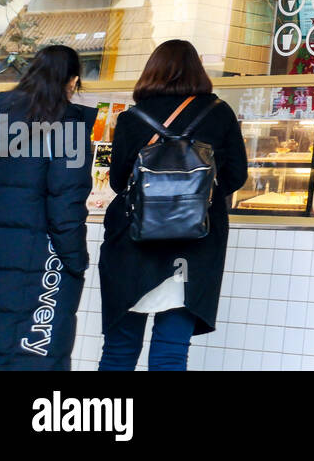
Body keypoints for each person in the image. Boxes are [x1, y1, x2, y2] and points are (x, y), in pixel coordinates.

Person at [98, 40, 247, 371]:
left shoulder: (131, 118)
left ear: (152, 70)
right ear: (198, 70)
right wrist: (197, 195)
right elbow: (236, 176)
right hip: (193, 247)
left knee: (119, 350)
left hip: (132, 245)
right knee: (171, 351)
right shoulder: (219, 112)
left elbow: (119, 182)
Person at [0, 46, 93, 370]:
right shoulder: (68, 124)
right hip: (38, 258)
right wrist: (75, 260)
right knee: (33, 353)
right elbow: (66, 203)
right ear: (72, 80)